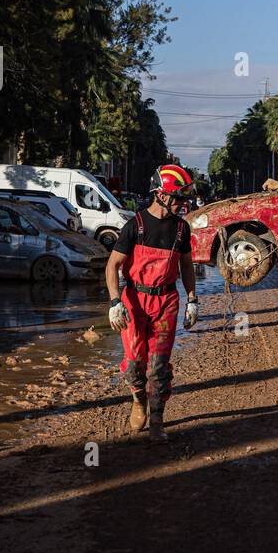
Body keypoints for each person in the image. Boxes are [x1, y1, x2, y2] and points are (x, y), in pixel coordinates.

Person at [105, 164, 199, 440]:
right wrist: (114, 302)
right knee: (135, 363)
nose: (182, 203)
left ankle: (157, 416)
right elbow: (112, 266)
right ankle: (138, 400)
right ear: (161, 194)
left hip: (166, 301)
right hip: (134, 301)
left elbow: (187, 266)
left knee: (159, 365)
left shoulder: (182, 229)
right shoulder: (135, 226)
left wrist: (192, 299)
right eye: (178, 197)